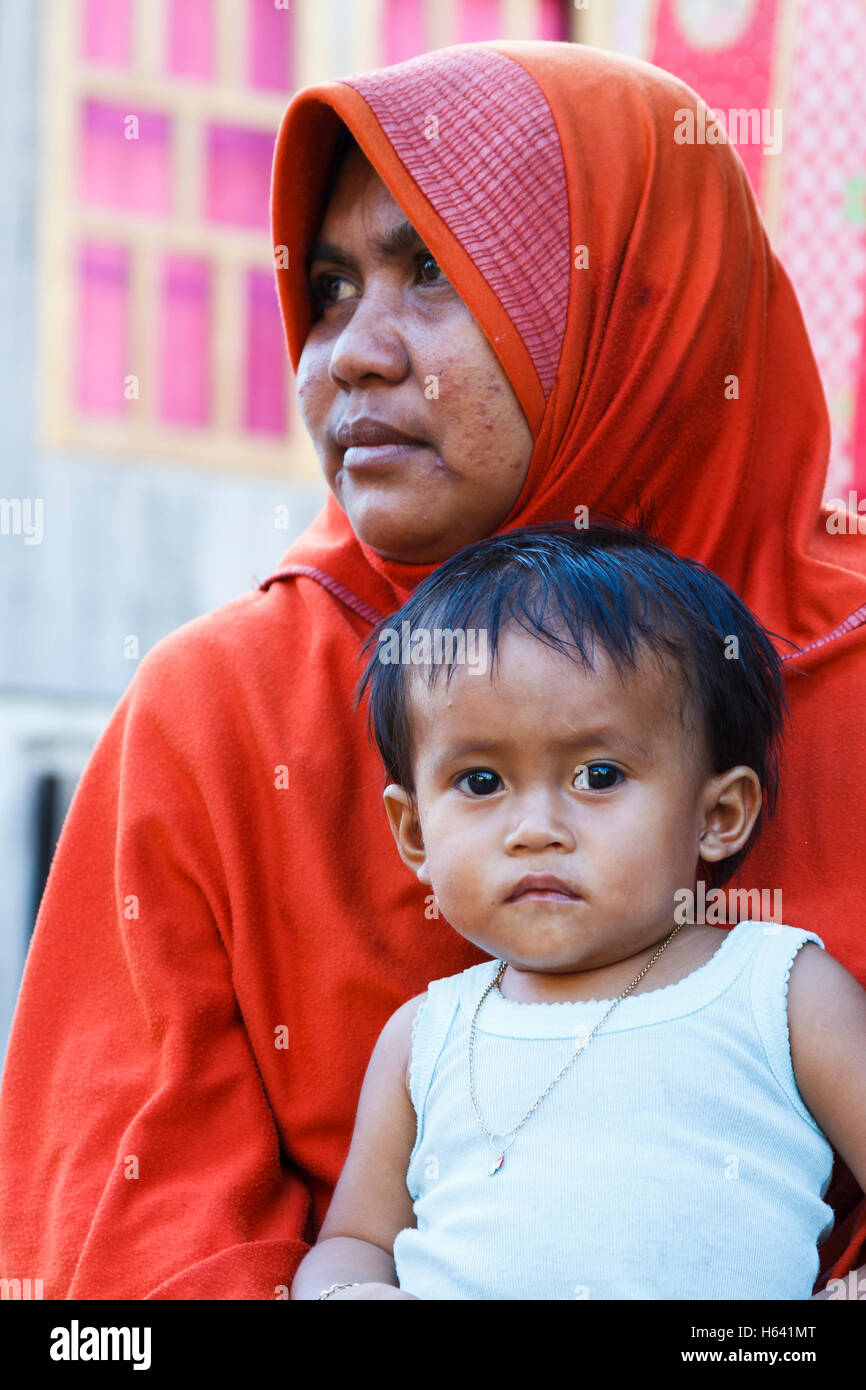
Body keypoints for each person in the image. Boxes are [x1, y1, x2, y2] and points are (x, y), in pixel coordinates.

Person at [1, 40, 865, 1299]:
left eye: (432, 271)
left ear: (638, 299)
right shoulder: (219, 713)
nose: (350, 351)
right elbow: (125, 1231)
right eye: (333, 284)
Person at [292, 522, 866, 1300]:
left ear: (720, 813)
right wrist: (347, 1290)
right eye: (482, 782)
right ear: (415, 832)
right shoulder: (424, 1037)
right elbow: (356, 1238)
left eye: (598, 775)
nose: (535, 830)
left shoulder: (779, 992)